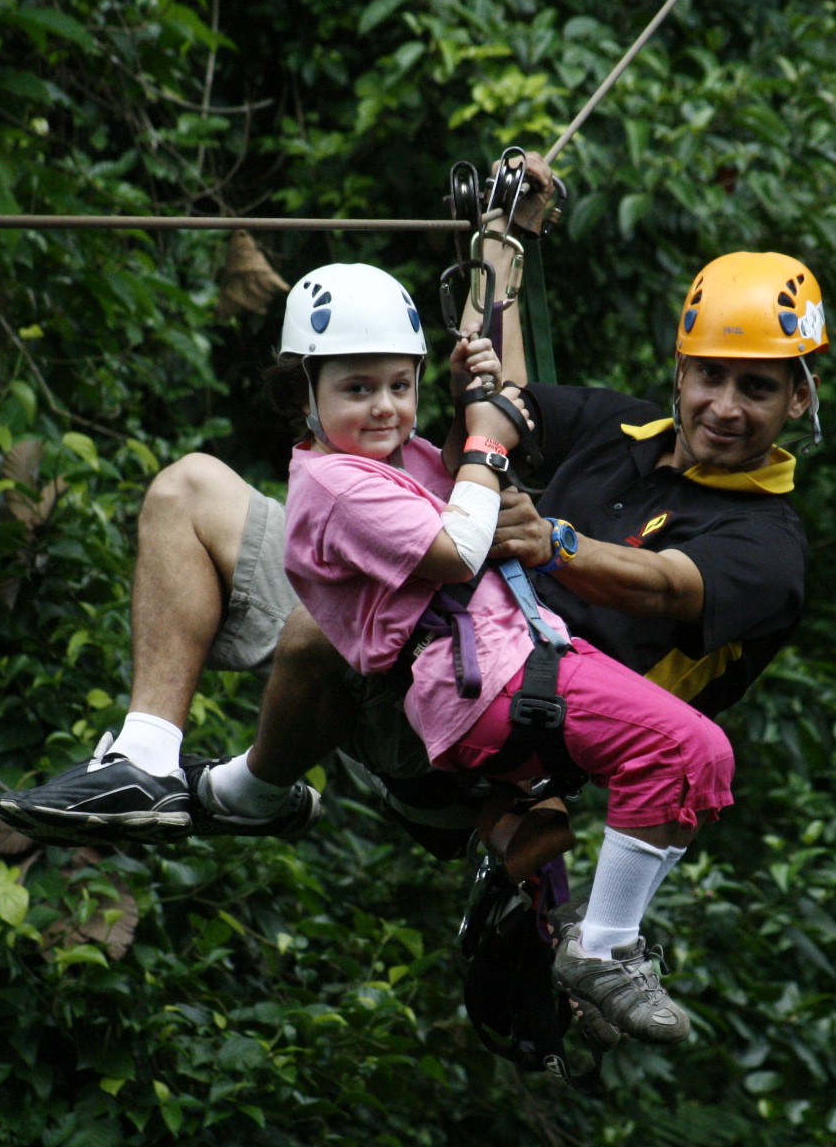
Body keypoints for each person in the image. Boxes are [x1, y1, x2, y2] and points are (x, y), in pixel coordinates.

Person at [0, 160, 826, 1029]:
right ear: (681, 369)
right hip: (419, 600)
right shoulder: (613, 430)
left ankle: (248, 795)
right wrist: (503, 243)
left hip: (488, 712)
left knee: (318, 639)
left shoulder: (768, 543)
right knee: (188, 490)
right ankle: (146, 758)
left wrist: (561, 544)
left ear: (799, 397)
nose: (725, 406)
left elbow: (667, 584)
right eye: (711, 376)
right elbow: (493, 401)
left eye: (758, 387)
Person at [251, 260, 731, 1042]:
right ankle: (602, 947)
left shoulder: (381, 457)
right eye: (357, 389)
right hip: (482, 682)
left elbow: (460, 455)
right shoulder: (337, 482)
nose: (383, 408)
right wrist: (486, 437)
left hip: (514, 659)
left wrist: (467, 367)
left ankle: (571, 965)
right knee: (688, 747)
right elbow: (461, 537)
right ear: (304, 394)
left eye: (396, 388)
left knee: (659, 771)